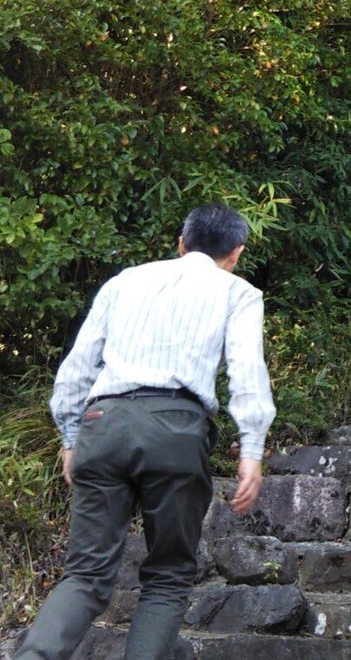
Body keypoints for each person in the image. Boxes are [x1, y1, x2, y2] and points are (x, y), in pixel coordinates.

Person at [16, 203, 276, 660]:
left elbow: (77, 367)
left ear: (181, 242)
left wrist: (71, 437)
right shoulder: (238, 293)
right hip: (176, 430)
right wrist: (251, 448)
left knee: (85, 574)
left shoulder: (124, 282)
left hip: (104, 423)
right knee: (168, 576)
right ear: (235, 253)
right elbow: (246, 372)